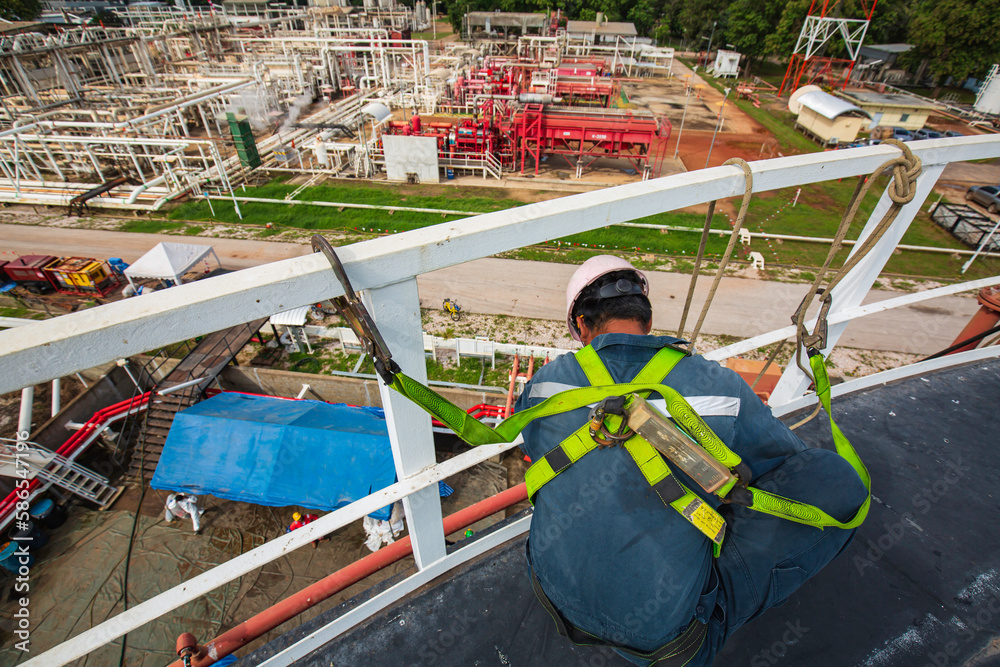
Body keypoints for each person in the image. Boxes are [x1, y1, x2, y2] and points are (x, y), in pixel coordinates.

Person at [514, 255, 868, 666]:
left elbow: (538, 444)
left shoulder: (544, 386)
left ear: (579, 326)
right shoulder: (719, 387)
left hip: (552, 594)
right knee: (836, 479)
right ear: (646, 321)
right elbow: (785, 464)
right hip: (665, 643)